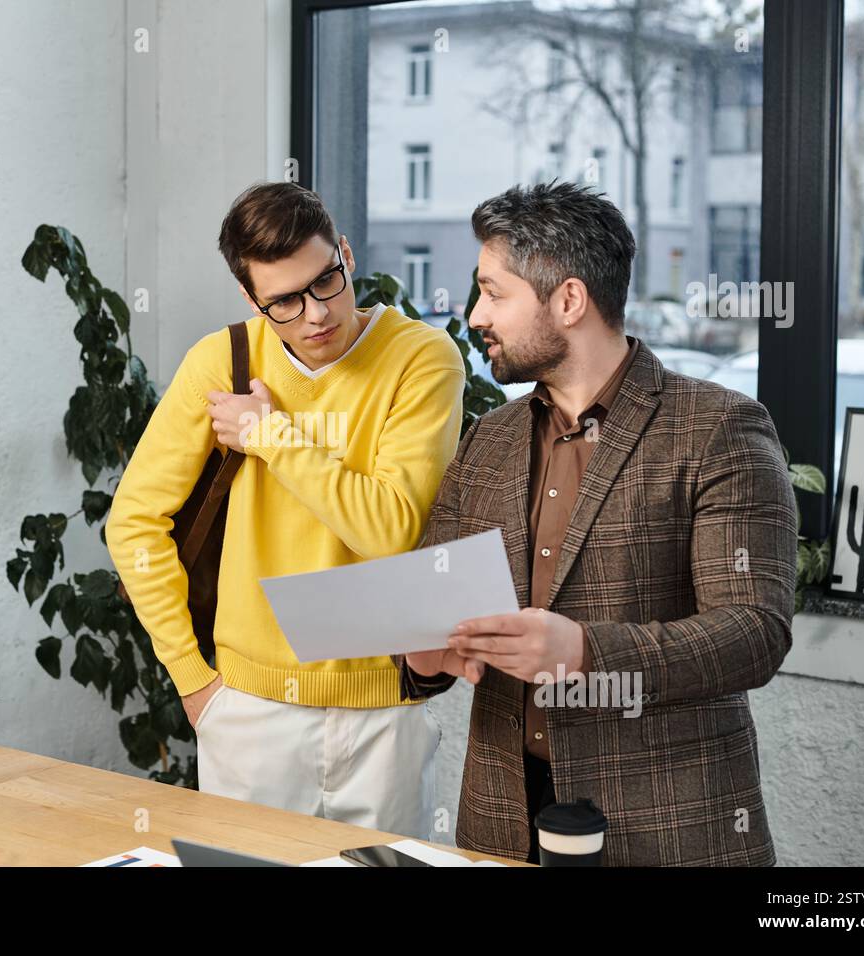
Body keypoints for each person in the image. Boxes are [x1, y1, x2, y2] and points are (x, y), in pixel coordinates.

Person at [396, 180, 797, 865]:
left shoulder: (719, 429)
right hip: (503, 823)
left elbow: (754, 632)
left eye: (494, 292)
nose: (475, 314)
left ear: (570, 300)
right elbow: (438, 605)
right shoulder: (486, 440)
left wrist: (585, 653)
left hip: (668, 828)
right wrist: (424, 656)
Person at [106, 181, 466, 838]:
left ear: (346, 255)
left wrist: (271, 436)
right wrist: (194, 683)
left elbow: (389, 529)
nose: (315, 315)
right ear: (251, 299)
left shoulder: (422, 358)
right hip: (247, 712)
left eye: (325, 281)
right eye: (285, 302)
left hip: (384, 712)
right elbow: (132, 521)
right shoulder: (224, 362)